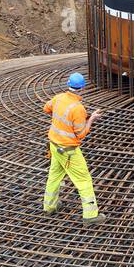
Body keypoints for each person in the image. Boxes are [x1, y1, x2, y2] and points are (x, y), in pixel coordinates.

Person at [43, 72, 104, 224]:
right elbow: (81, 134)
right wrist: (92, 119)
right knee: (84, 180)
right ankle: (91, 216)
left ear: (68, 85)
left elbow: (46, 109)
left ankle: (50, 206)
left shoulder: (58, 98)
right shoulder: (78, 108)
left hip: (54, 146)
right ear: (82, 88)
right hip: (68, 151)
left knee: (54, 176)